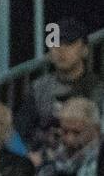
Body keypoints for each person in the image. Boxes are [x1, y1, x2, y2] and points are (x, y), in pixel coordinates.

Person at [17, 17, 104, 155]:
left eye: (69, 43)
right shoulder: (39, 88)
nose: (60, 49)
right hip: (45, 162)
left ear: (85, 50)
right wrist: (29, 155)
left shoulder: (99, 89)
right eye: (55, 43)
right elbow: (21, 130)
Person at [34, 97, 100, 176]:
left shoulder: (99, 165)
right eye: (65, 131)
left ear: (95, 131)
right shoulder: (49, 166)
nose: (69, 139)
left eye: (77, 132)